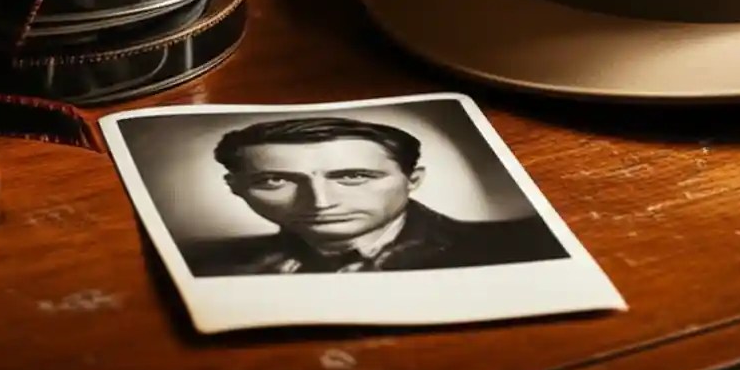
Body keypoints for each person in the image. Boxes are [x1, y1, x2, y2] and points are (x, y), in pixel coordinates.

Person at [181, 116, 569, 276]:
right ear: (237, 189)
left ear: (412, 179)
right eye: (275, 181)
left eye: (352, 177)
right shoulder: (205, 262)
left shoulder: (522, 246)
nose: (320, 202)